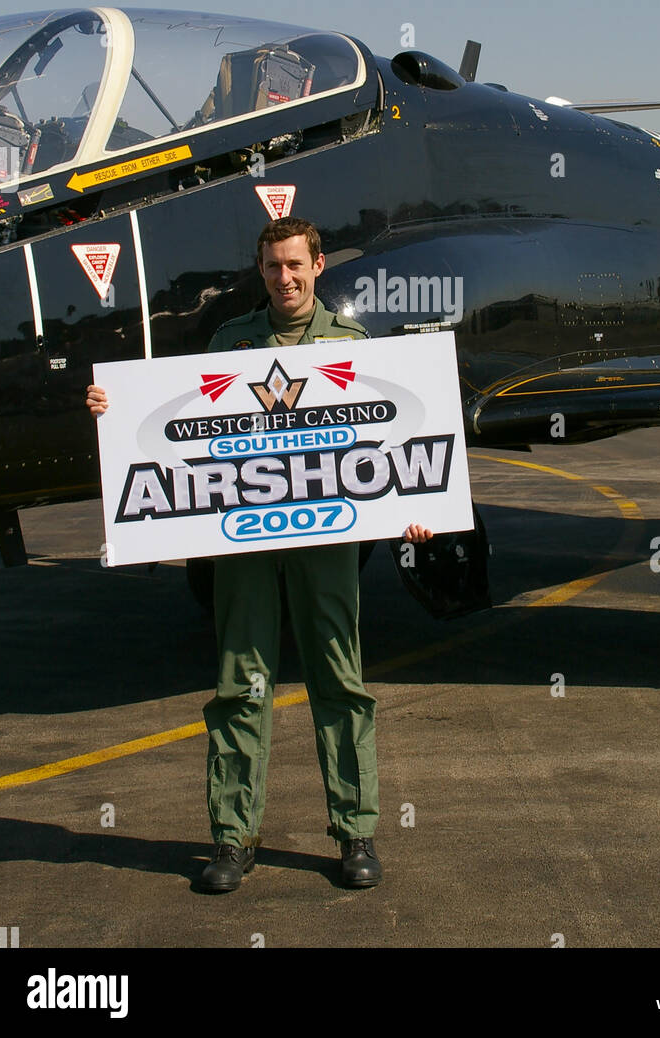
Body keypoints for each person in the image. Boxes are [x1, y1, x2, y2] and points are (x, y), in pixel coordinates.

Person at [86, 216, 431, 893]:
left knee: (341, 681)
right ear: (261, 270)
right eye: (273, 266)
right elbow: (177, 421)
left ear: (318, 265)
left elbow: (391, 440)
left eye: (295, 264)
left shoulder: (353, 344)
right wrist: (112, 407)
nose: (284, 277)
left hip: (326, 539)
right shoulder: (231, 342)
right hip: (242, 542)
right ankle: (233, 836)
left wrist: (412, 511)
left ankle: (356, 832)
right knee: (240, 683)